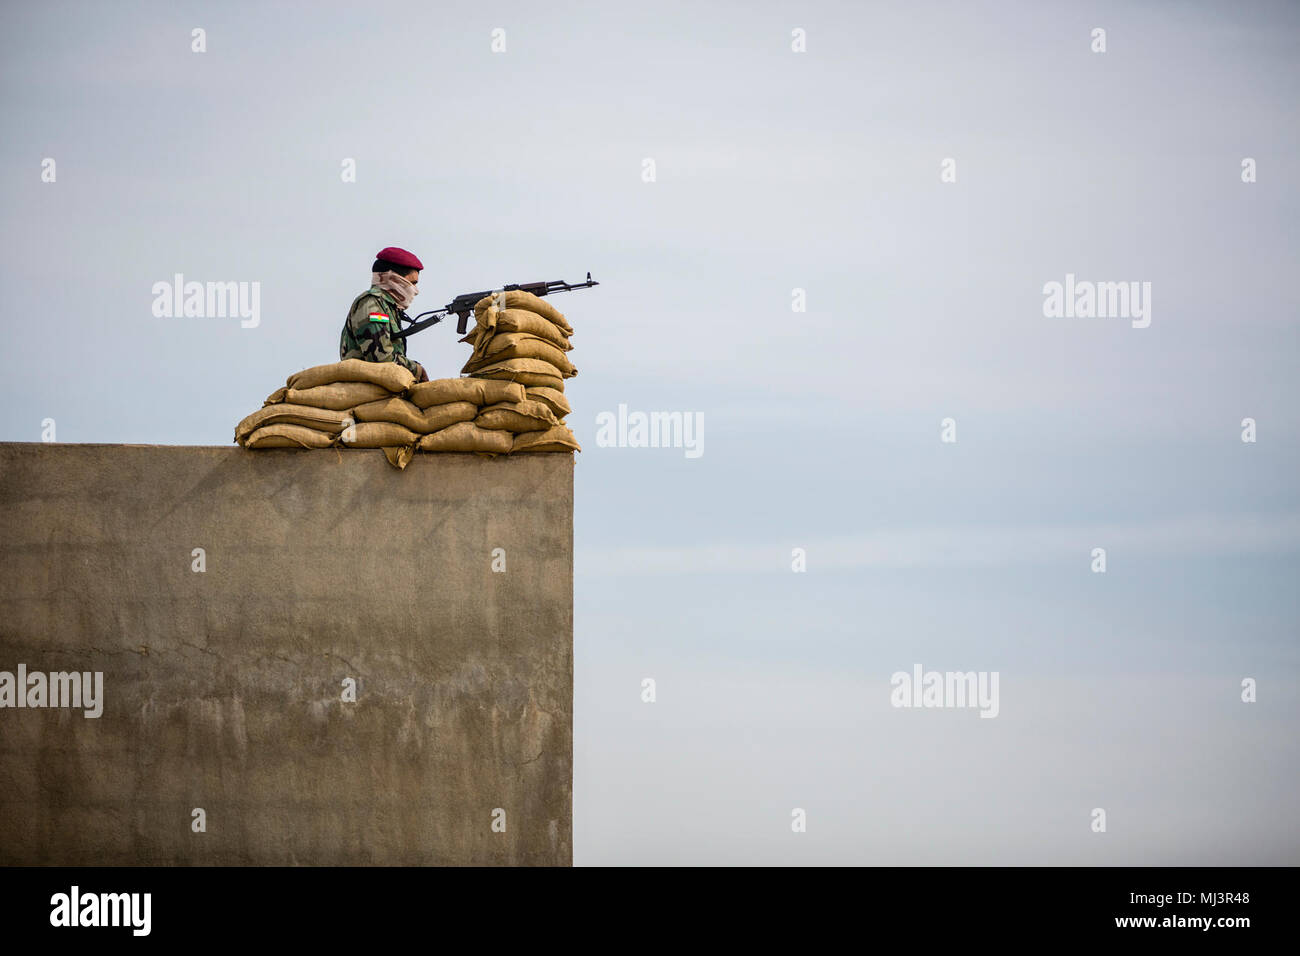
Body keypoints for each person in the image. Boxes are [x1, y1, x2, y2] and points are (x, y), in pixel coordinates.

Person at [339, 246, 429, 382]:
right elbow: (381, 360)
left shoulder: (389, 307)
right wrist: (416, 369)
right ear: (395, 279)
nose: (415, 290)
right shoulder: (371, 303)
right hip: (364, 385)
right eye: (412, 283)